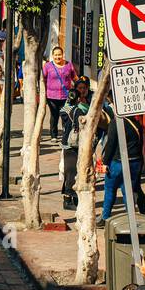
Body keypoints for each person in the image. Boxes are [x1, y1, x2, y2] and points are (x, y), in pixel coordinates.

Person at [99, 112, 145, 223]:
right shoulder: (136, 123)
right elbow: (141, 144)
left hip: (118, 163)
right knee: (131, 191)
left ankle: (105, 217)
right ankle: (137, 217)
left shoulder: (115, 123)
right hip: (136, 162)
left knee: (110, 189)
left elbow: (111, 144)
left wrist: (105, 163)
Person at [58, 76, 94, 208]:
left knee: (74, 172)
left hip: (76, 143)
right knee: (71, 171)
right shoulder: (76, 108)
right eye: (79, 89)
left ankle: (73, 199)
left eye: (84, 88)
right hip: (72, 144)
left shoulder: (82, 105)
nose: (82, 90)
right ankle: (68, 200)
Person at [43, 46, 78, 141]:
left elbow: (75, 78)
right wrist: (42, 93)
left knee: (66, 115)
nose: (58, 57)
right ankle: (53, 135)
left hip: (66, 97)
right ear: (52, 55)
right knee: (54, 115)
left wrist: (78, 90)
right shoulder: (47, 66)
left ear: (63, 55)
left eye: (59, 55)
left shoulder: (68, 65)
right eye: (55, 55)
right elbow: (43, 80)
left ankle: (65, 134)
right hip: (51, 97)